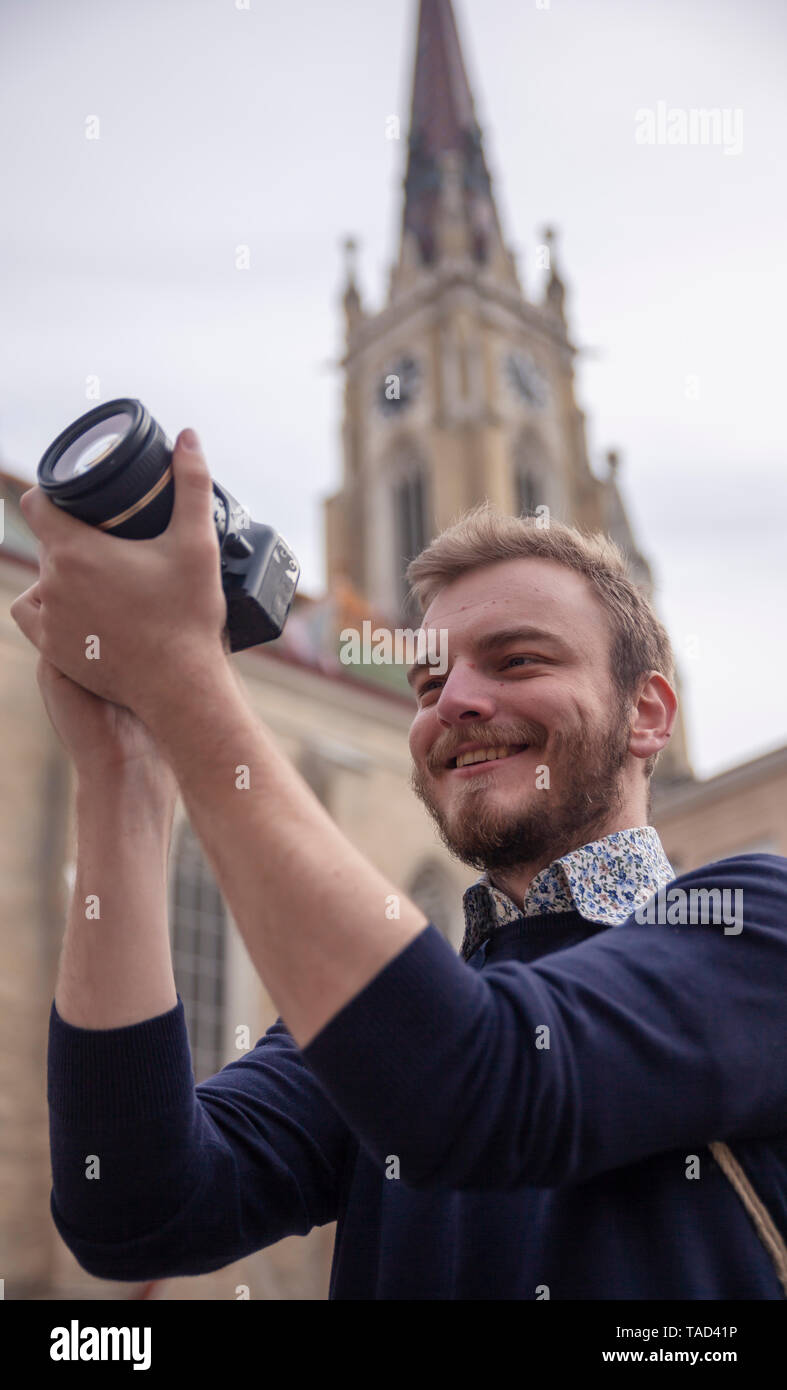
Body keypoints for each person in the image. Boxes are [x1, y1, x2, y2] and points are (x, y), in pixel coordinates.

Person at [11, 429, 787, 1299]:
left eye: (518, 659)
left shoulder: (751, 927)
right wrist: (125, 771)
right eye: (425, 685)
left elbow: (481, 1089)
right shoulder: (376, 1033)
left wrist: (183, 679)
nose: (452, 703)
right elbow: (133, 1209)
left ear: (647, 715)